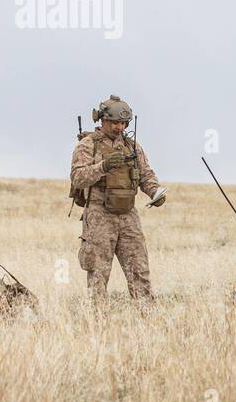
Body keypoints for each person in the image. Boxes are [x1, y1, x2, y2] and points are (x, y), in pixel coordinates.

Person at [70, 95, 166, 301]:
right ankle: (97, 323)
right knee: (98, 273)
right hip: (99, 215)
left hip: (128, 216)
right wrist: (103, 167)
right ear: (102, 120)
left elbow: (146, 174)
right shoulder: (87, 145)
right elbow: (78, 178)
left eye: (123, 123)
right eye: (114, 122)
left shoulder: (132, 146)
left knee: (139, 271)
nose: (119, 127)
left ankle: (147, 317)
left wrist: (154, 192)